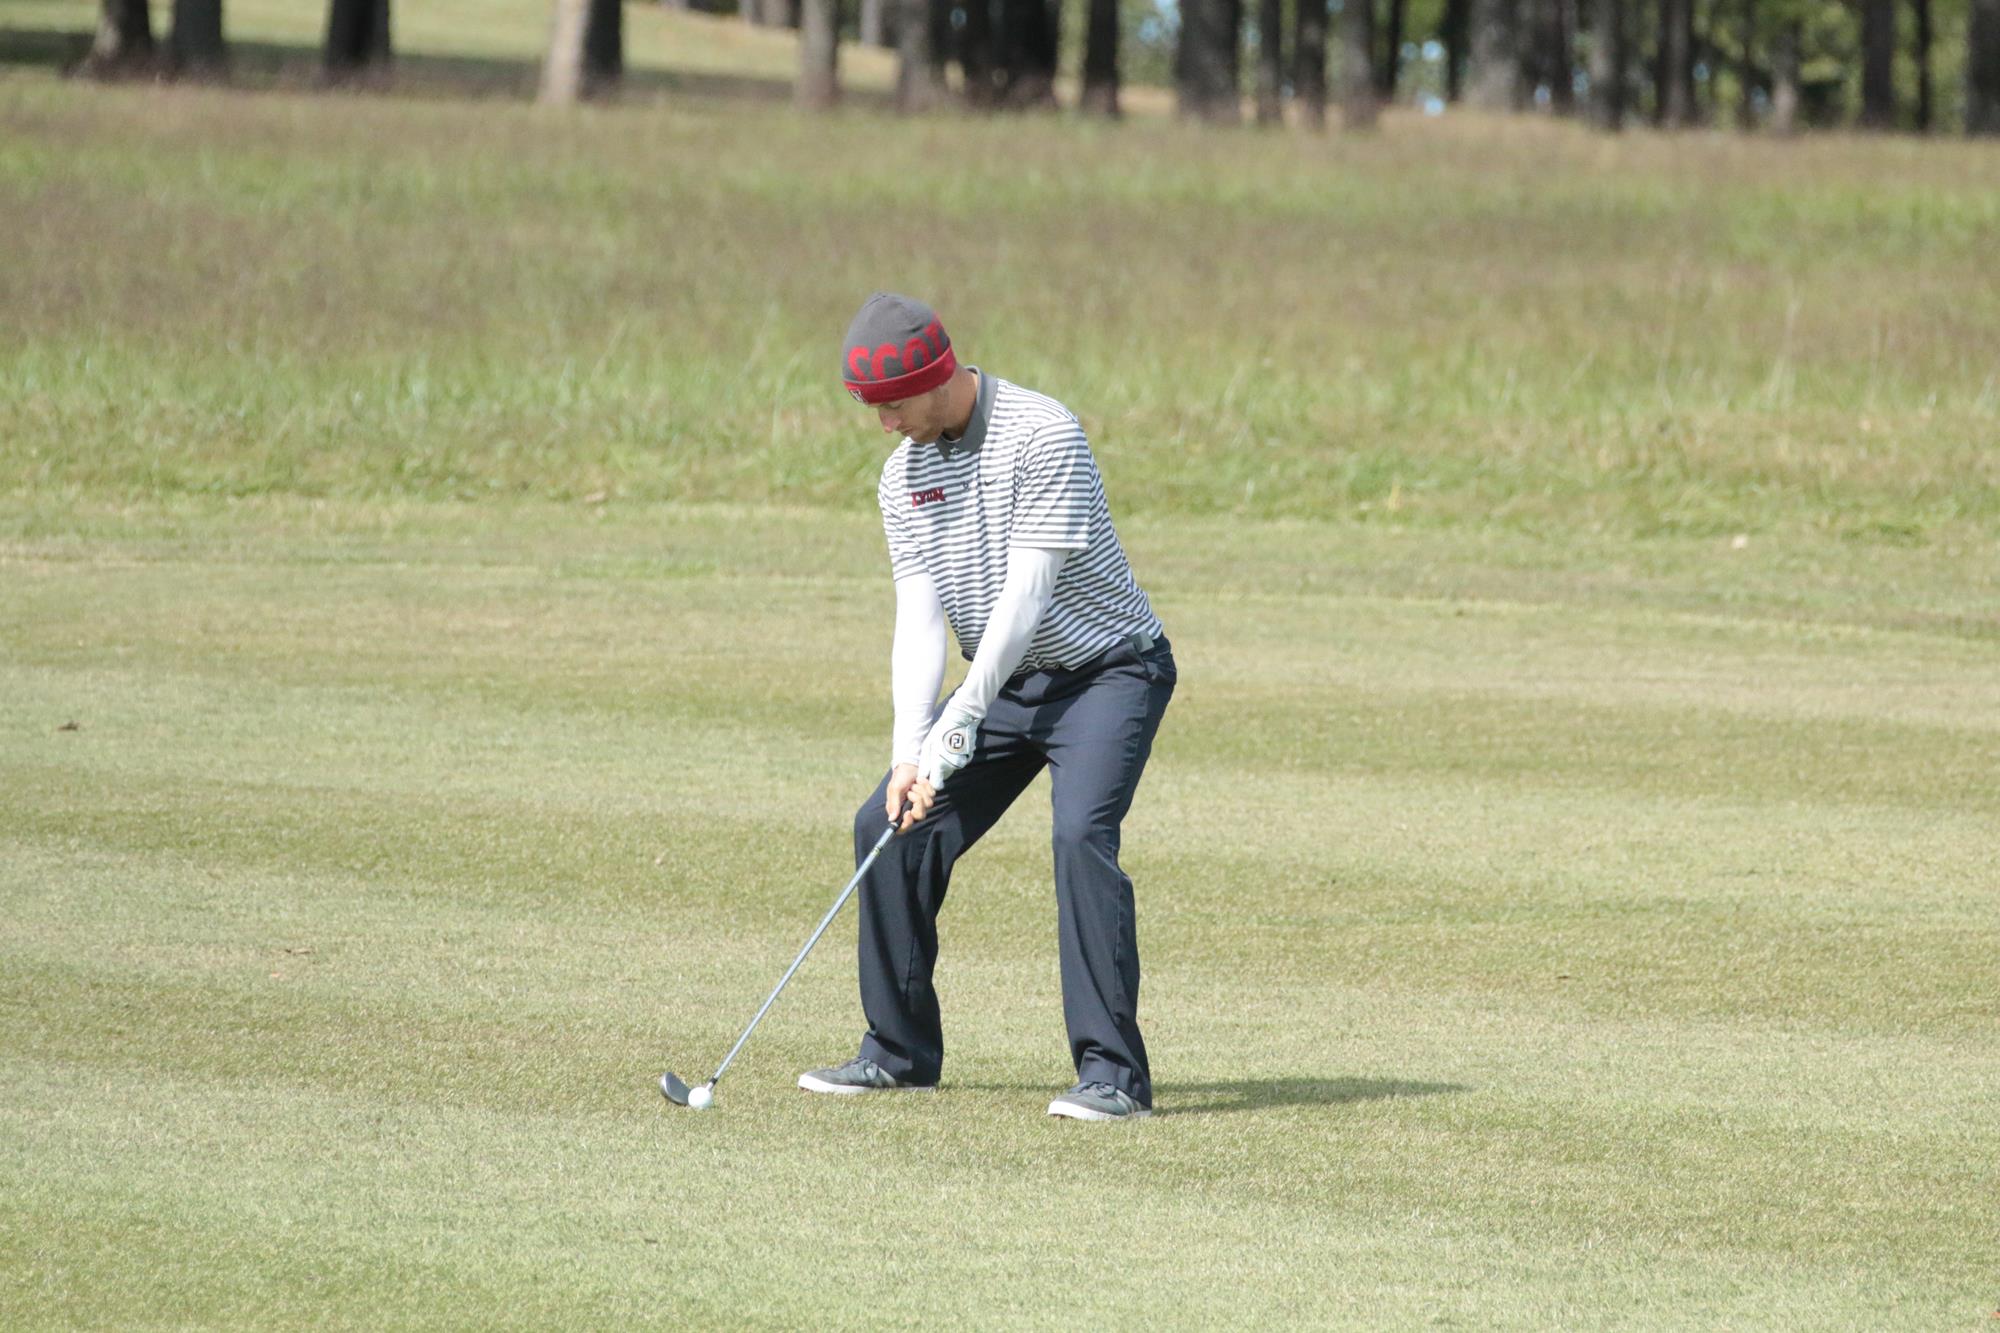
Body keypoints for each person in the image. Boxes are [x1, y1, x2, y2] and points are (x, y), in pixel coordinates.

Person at [797, 292, 1177, 1122]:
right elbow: (919, 616)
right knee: (887, 824)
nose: (884, 425)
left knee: (1081, 836)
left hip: (1108, 672)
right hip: (1006, 687)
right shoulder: (904, 475)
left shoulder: (1042, 433)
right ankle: (896, 1054)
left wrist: (963, 714)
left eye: (892, 405)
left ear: (934, 379)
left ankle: (1113, 1075)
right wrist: (911, 750)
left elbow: (1027, 595)